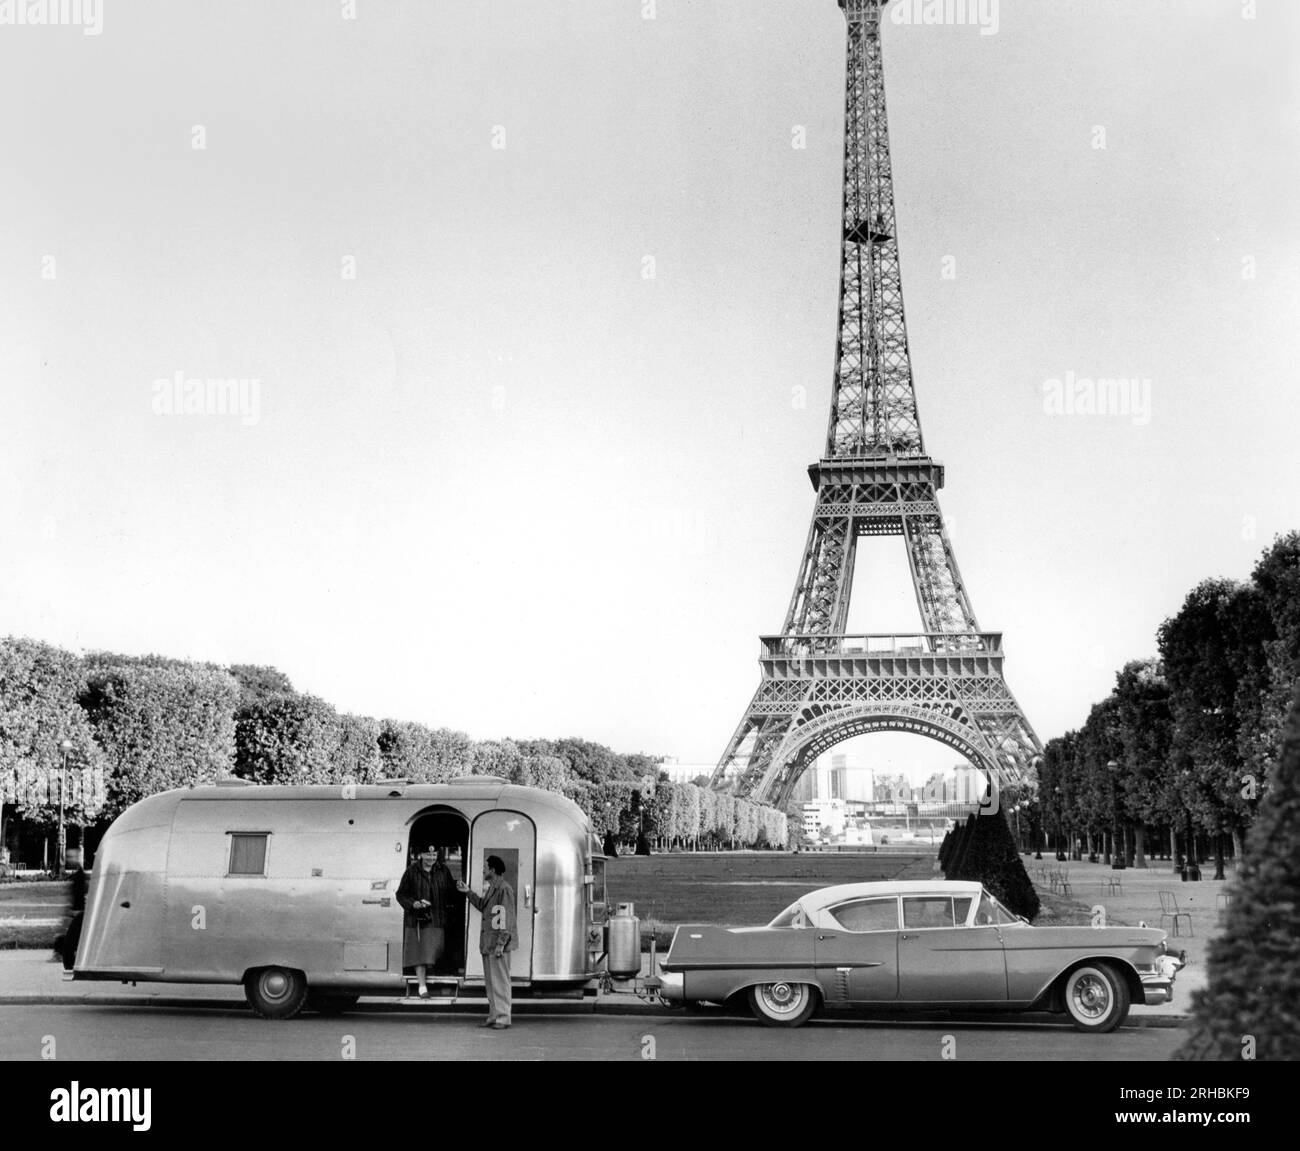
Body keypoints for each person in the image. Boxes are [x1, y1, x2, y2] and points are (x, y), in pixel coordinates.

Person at [456, 855, 516, 1029]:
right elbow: (483, 905)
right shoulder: (492, 889)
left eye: (485, 867)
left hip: (497, 945)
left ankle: (503, 1018)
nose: (483, 870)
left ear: (493, 870)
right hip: (489, 943)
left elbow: (507, 919)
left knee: (500, 982)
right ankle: (494, 1015)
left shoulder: (504, 890)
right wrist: (468, 892)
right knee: (491, 983)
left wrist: (501, 944)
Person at [396, 844, 454, 997]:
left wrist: (460, 888)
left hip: (437, 918)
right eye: (428, 855)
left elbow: (450, 890)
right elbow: (401, 894)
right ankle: (422, 987)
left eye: (434, 855)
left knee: (435, 951)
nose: (432, 858)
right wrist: (413, 903)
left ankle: (431, 981)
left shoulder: (443, 870)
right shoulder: (411, 871)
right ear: (422, 855)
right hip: (417, 920)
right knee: (419, 953)